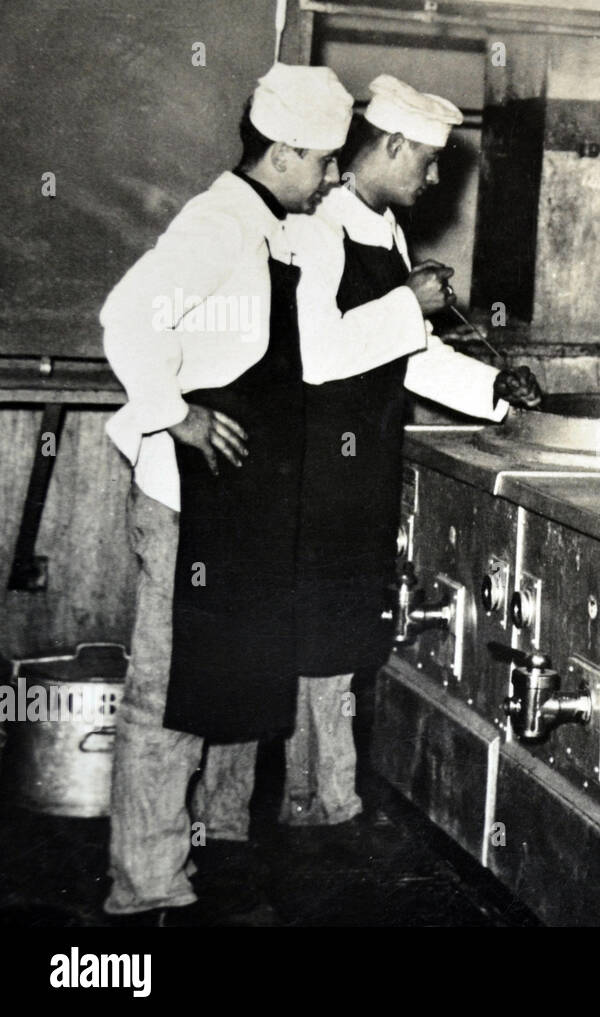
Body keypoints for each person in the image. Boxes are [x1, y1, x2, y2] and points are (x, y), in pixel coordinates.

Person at [99, 63, 354, 924]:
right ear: (283, 152)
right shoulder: (218, 224)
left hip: (244, 502)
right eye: (322, 163)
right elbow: (127, 318)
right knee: (167, 696)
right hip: (191, 504)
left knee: (239, 677)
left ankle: (221, 849)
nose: (330, 180)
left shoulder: (272, 228)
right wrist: (176, 415)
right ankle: (147, 887)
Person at [279, 74, 542, 834]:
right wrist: (408, 305)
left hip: (360, 465)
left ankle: (314, 795)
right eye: (425, 162)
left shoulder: (382, 229)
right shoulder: (318, 225)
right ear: (389, 144)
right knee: (322, 635)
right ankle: (327, 798)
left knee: (330, 635)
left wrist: (498, 388)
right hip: (320, 463)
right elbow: (317, 354)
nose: (432, 182)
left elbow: (409, 357)